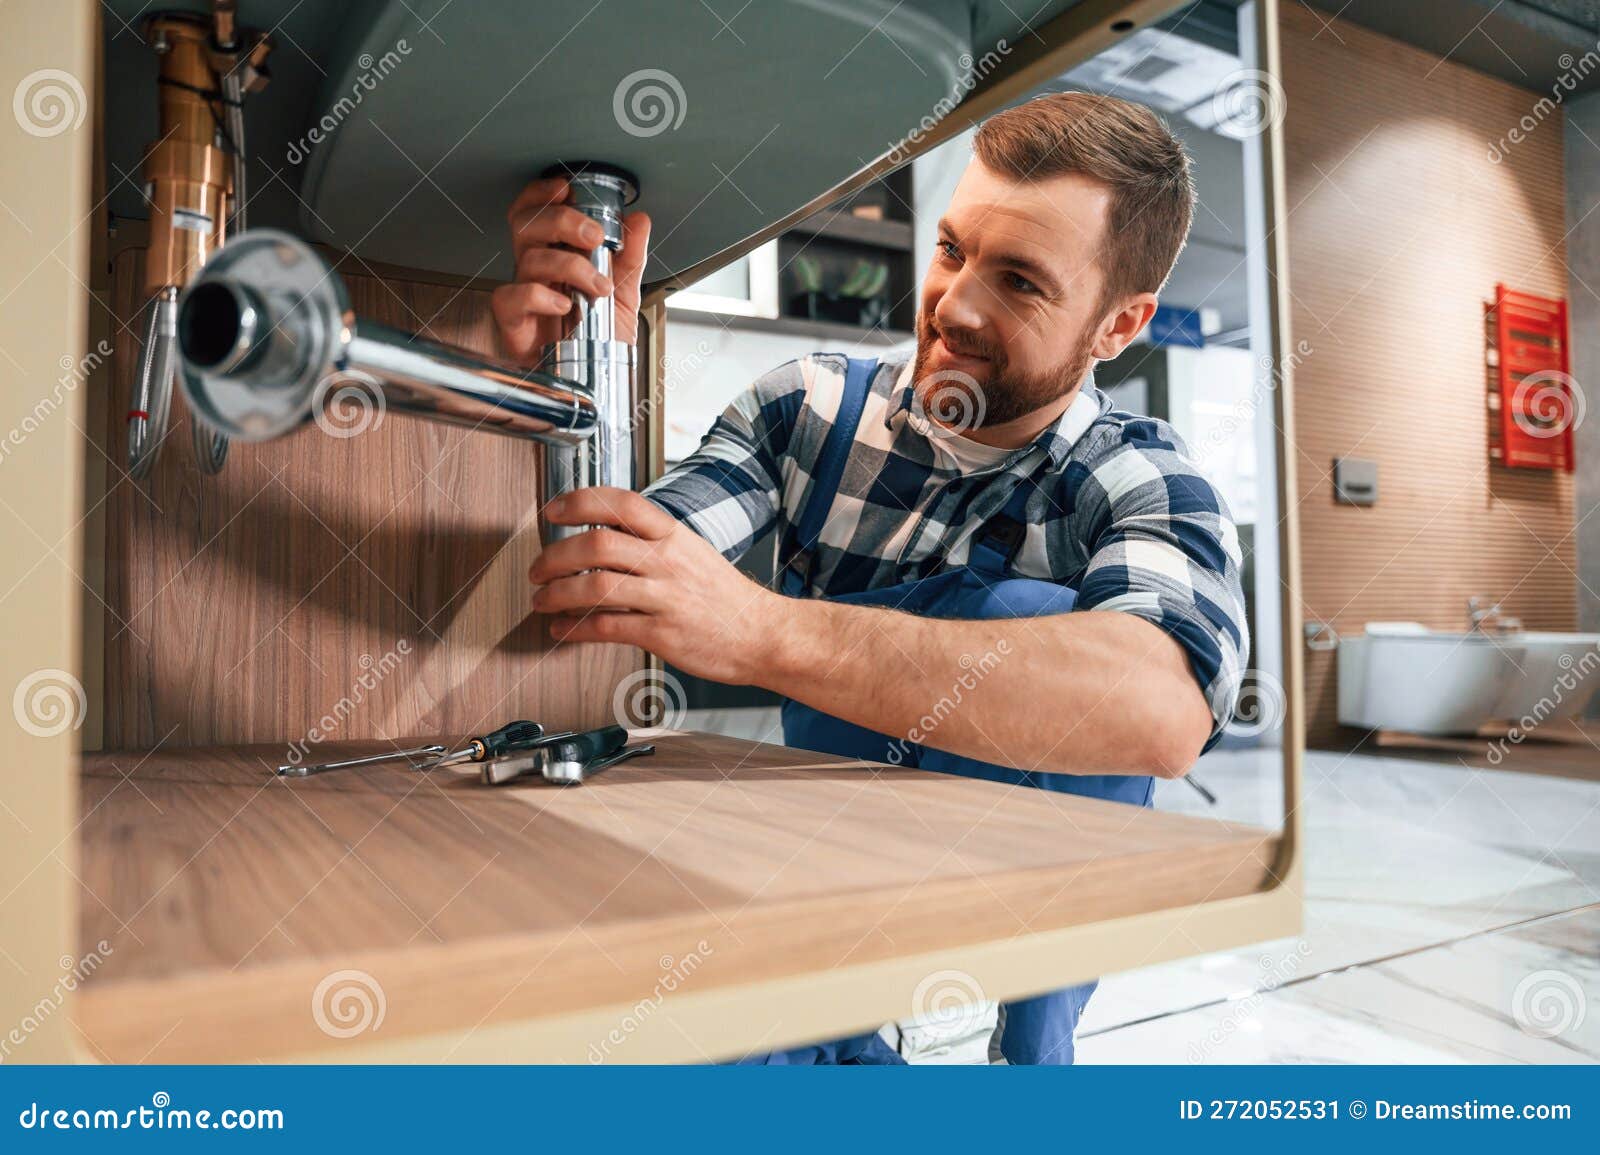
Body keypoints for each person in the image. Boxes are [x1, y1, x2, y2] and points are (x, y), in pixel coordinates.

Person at [493, 91, 1249, 1064]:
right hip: (828, 852)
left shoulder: (1141, 474)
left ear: (1118, 326)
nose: (957, 305)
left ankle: (1034, 1050)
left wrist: (766, 634)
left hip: (1037, 884)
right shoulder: (803, 411)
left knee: (1039, 620)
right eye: (951, 251)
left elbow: (1158, 712)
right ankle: (842, 1037)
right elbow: (618, 569)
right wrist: (570, 384)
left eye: (1019, 282)